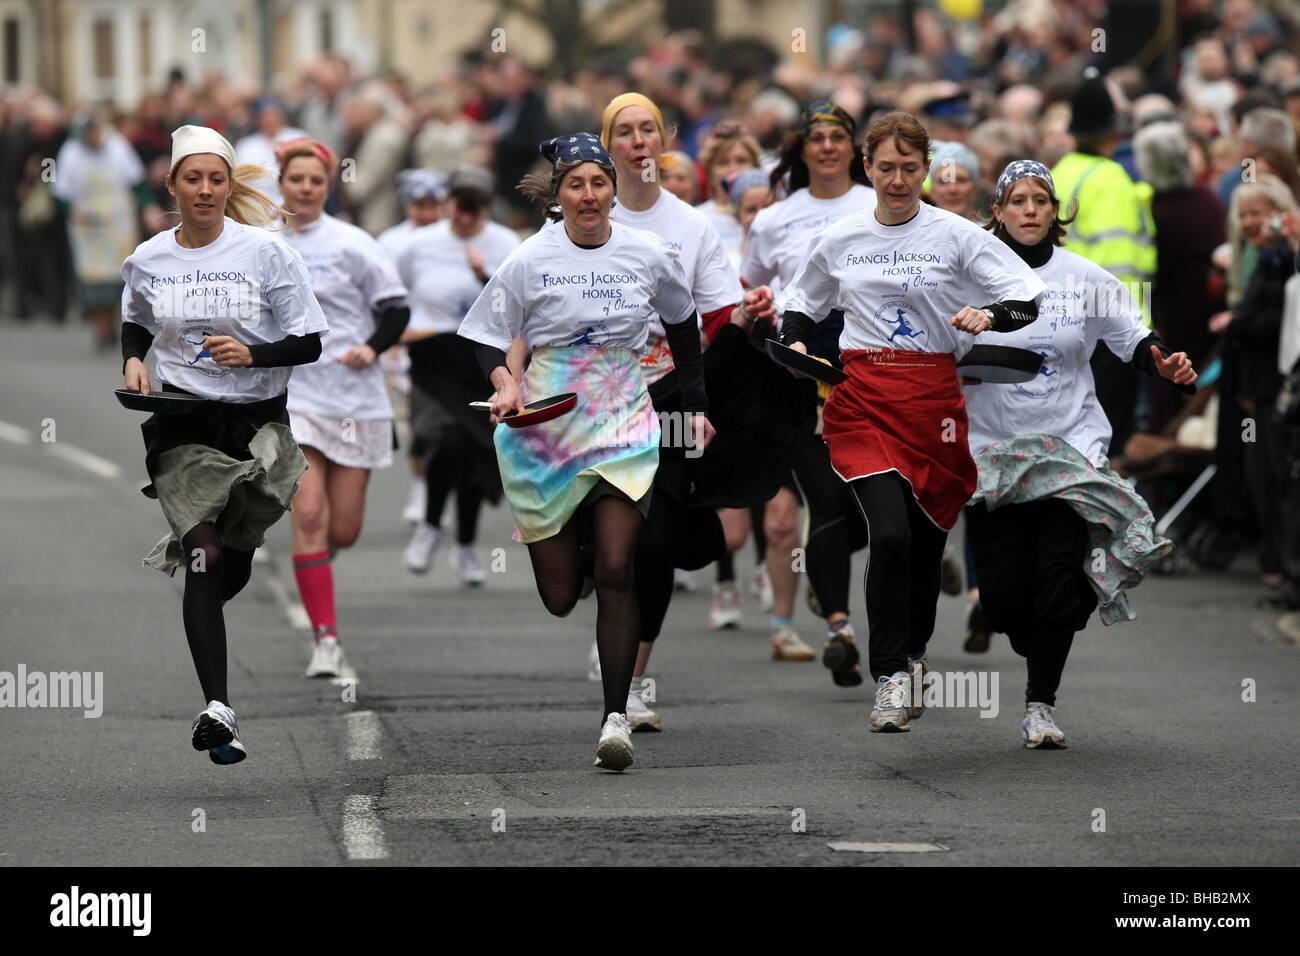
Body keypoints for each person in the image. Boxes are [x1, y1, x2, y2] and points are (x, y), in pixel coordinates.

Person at [778, 111, 1047, 732]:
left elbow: (1025, 292)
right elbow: (802, 299)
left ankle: (916, 652)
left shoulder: (954, 234)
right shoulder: (842, 237)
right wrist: (792, 343)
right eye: (886, 168)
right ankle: (890, 677)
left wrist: (990, 315)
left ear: (926, 169)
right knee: (890, 535)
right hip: (863, 396)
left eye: (910, 168)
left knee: (924, 548)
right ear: (865, 168)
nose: (898, 180)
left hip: (934, 404)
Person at [457, 132, 711, 771]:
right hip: (545, 420)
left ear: (612, 188)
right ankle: (586, 537)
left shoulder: (646, 252)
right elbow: (487, 335)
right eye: (577, 184)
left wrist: (697, 403)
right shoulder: (528, 259)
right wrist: (504, 381)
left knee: (622, 568)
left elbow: (683, 321)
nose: (590, 195)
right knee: (562, 595)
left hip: (622, 407)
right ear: (559, 194)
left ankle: (615, 719)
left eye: (600, 182)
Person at [963, 160, 1197, 747]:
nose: (1030, 210)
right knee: (1003, 599)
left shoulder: (1085, 277)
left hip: (1071, 453)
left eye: (1041, 200)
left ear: (1057, 211)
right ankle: (1032, 632)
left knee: (1061, 588)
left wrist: (1164, 362)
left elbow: (1133, 338)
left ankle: (1040, 704)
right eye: (1017, 200)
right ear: (998, 211)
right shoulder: (968, 277)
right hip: (994, 456)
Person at [120, 125, 329, 763]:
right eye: (193, 179)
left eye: (216, 179)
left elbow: (310, 341)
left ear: (229, 185)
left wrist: (253, 353)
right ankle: (219, 709)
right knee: (204, 553)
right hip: (182, 424)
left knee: (229, 562)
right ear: (173, 186)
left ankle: (219, 578)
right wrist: (135, 363)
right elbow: (137, 319)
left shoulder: (266, 253)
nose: (205, 190)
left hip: (258, 424)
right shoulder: (151, 257)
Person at [597, 92, 778, 729]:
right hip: (596, 399)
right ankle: (610, 611)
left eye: (649, 129)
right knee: (606, 544)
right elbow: (533, 297)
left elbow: (720, 313)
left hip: (671, 398)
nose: (639, 141)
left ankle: (635, 675)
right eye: (624, 132)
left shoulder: (691, 226)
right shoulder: (585, 211)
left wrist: (750, 318)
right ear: (609, 144)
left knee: (659, 537)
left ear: (666, 138)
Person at [741, 99, 875, 670]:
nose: (826, 146)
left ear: (853, 149)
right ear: (801, 149)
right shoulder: (776, 218)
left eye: (837, 137)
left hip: (872, 365)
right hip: (799, 372)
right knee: (824, 497)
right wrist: (760, 309)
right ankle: (840, 628)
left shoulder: (878, 204)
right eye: (815, 137)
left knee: (864, 508)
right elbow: (747, 288)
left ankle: (825, 572)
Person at [275, 137, 411, 678]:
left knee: (343, 529)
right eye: (296, 179)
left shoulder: (353, 243)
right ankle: (325, 639)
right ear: (280, 183)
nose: (305, 188)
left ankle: (314, 569)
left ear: (327, 186)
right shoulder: (262, 245)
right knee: (309, 513)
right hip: (296, 392)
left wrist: (371, 348)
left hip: (354, 396)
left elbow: (396, 309)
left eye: (316, 181)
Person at [396, 165, 520, 584]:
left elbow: (520, 306)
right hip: (432, 354)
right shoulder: (420, 244)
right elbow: (398, 297)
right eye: (459, 206)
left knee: (474, 452)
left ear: (487, 207)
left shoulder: (505, 242)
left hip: (482, 357)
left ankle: (465, 545)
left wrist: (484, 275)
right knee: (444, 439)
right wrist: (399, 341)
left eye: (475, 207)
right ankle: (431, 526)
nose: (465, 216)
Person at [1050, 68, 1156, 458]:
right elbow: (1120, 266)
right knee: (1109, 444)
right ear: (1115, 130)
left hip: (1065, 324)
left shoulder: (1061, 171)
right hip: (1109, 331)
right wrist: (1134, 331)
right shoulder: (1111, 178)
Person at [53, 107, 164, 350]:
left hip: (116, 226)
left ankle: (113, 324)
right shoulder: (71, 153)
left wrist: (149, 207)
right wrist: (70, 208)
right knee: (93, 280)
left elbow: (137, 181)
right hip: (87, 229)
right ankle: (100, 327)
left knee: (117, 277)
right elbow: (60, 190)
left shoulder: (118, 146)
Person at [376, 168, 450, 526]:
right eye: (419, 205)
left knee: (449, 424)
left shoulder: (455, 239)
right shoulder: (391, 242)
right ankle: (422, 486)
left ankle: (439, 489)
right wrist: (387, 342)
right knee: (420, 423)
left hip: (451, 344)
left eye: (433, 205)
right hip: (407, 345)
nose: (426, 213)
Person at [926, 140, 981, 220]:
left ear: (976, 188)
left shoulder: (992, 232)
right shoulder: (918, 232)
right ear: (932, 191)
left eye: (961, 180)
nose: (953, 189)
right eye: (943, 182)